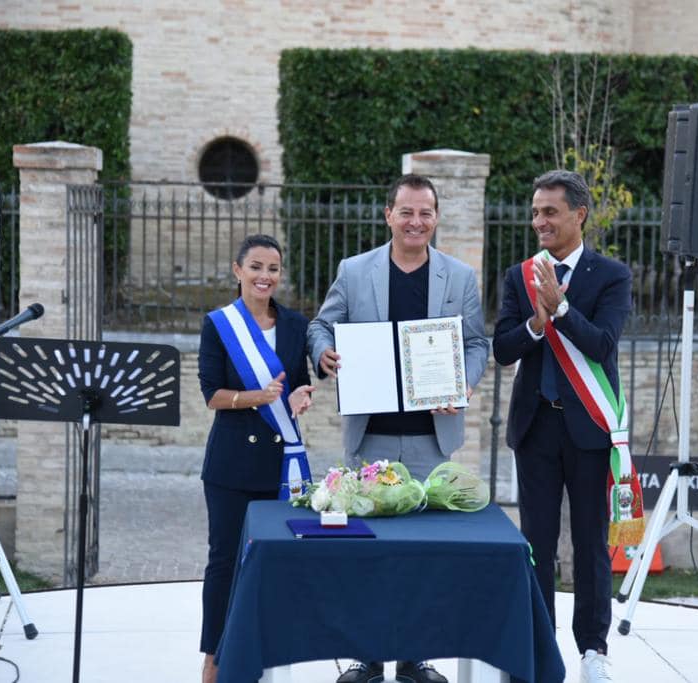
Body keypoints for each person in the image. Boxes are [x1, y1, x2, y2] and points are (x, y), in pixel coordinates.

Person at [307, 173, 490, 683]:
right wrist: (321, 352)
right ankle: (368, 658)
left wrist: (464, 385)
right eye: (406, 212)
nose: (416, 222)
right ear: (388, 215)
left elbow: (476, 344)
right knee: (369, 550)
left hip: (433, 437)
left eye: (425, 213)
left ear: (435, 218)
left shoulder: (459, 277)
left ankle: (417, 657)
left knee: (425, 552)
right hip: (371, 437)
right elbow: (322, 325)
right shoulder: (355, 270)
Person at [493, 170, 633, 683]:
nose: (539, 221)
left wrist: (562, 308)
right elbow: (503, 349)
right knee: (537, 541)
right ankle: (535, 644)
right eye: (535, 211)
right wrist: (535, 321)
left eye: (550, 211)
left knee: (592, 542)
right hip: (535, 427)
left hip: (589, 430)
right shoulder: (520, 274)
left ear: (580, 214)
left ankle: (593, 649)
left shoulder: (611, 275)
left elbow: (602, 344)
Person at [197, 234, 316, 683]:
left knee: (271, 561)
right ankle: (214, 655)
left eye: (273, 269)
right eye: (257, 267)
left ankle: (263, 649)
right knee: (224, 562)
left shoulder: (295, 325)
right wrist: (256, 397)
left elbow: (299, 382)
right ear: (238, 270)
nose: (265, 276)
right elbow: (211, 395)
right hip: (231, 466)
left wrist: (302, 396)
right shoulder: (219, 324)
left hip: (278, 464)